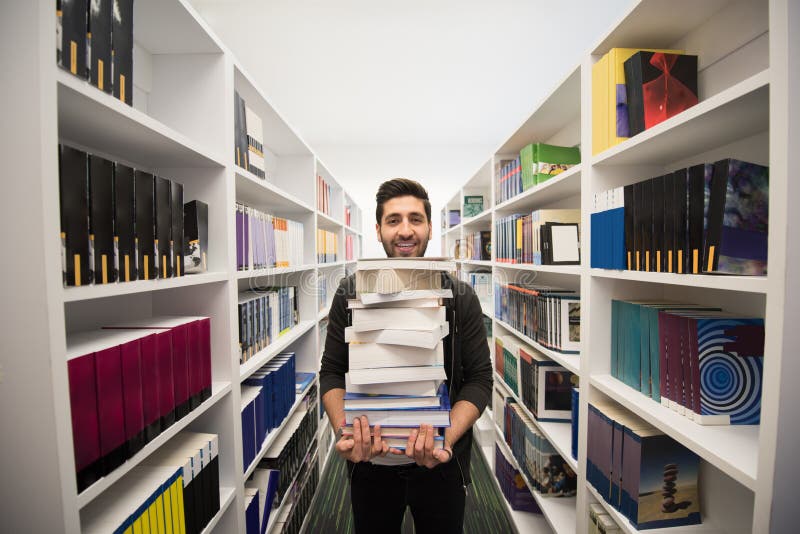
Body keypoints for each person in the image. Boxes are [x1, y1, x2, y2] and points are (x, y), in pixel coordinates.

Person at [319, 178, 493, 533]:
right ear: (378, 230)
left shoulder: (460, 296)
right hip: (369, 463)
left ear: (429, 228)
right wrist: (344, 431)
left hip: (442, 465)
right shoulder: (349, 293)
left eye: (415, 219)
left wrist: (445, 438)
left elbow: (479, 380)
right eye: (393, 220)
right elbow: (332, 372)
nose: (405, 230)